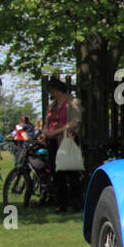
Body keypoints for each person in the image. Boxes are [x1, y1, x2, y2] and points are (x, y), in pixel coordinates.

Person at [44, 78, 81, 212]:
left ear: (56, 90)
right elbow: (47, 120)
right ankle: (61, 204)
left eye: (51, 91)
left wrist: (59, 130)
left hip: (67, 141)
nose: (50, 94)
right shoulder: (52, 105)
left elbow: (75, 121)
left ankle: (76, 203)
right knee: (56, 173)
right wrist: (45, 131)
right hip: (53, 141)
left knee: (71, 173)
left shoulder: (72, 102)